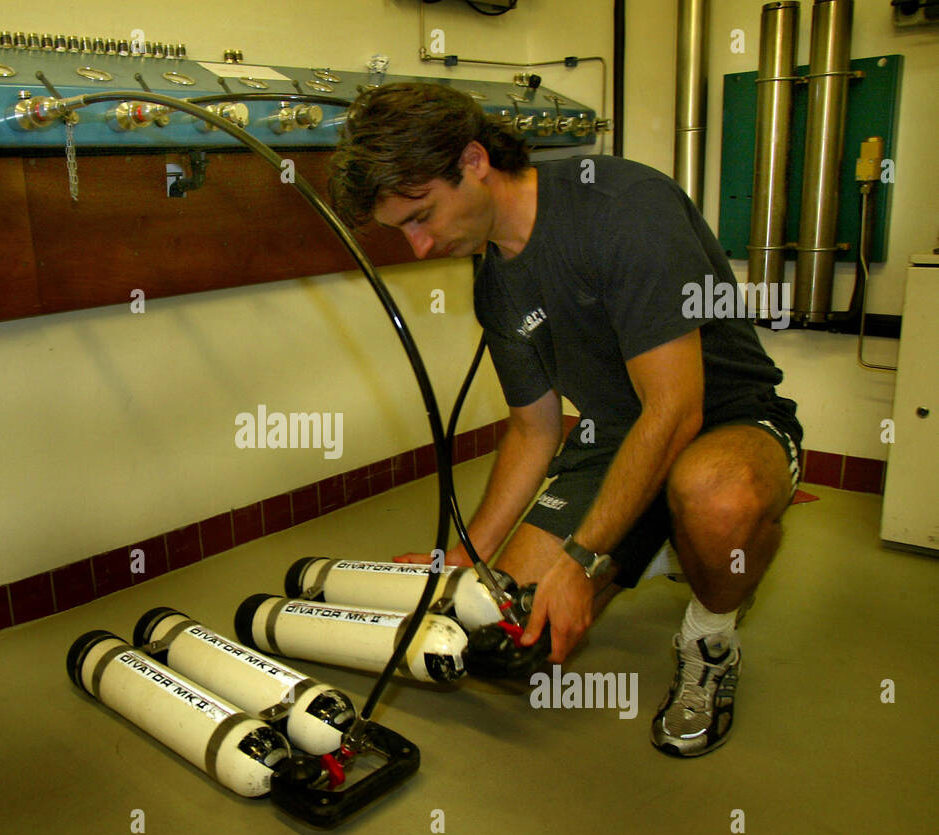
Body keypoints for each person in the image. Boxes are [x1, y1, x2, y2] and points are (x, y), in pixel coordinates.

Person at [328, 82, 803, 757]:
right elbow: (534, 429)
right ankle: (661, 537)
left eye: (421, 215)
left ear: (472, 160)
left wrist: (580, 560)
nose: (419, 247)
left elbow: (675, 411)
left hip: (728, 422)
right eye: (402, 227)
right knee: (510, 636)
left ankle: (709, 632)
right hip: (616, 435)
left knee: (714, 496)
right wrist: (466, 560)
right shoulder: (496, 282)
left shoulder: (623, 211)